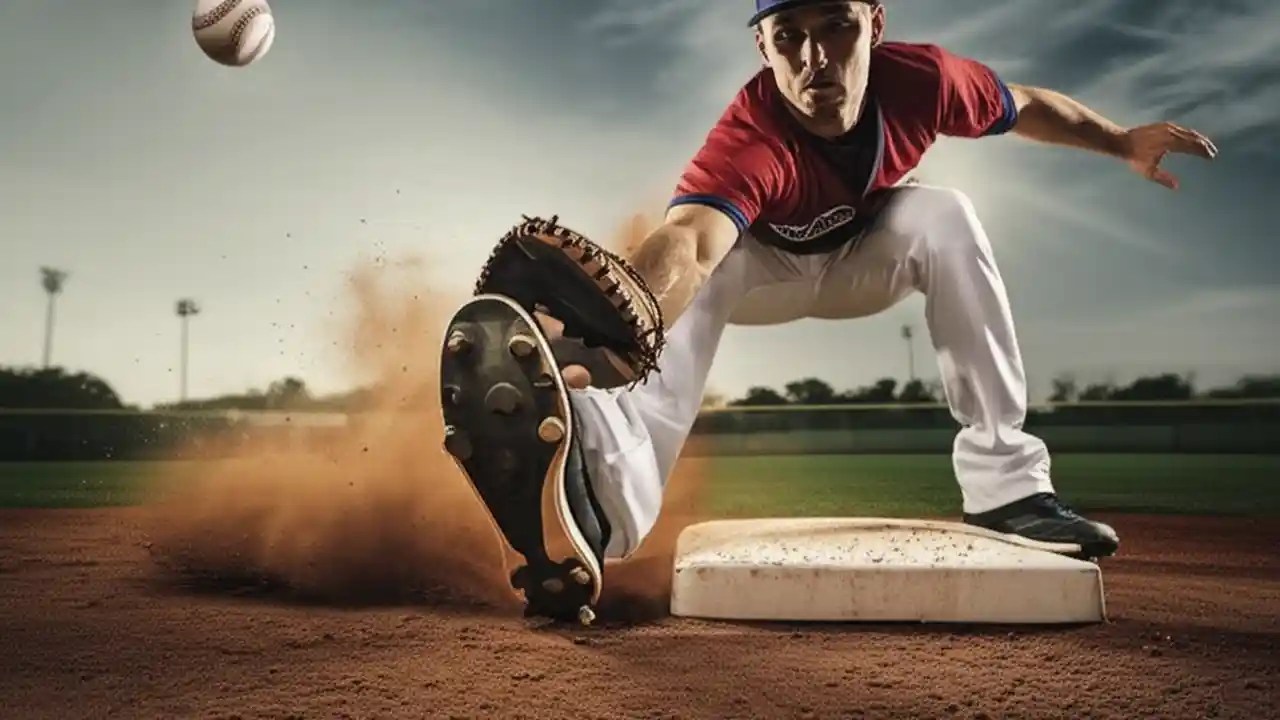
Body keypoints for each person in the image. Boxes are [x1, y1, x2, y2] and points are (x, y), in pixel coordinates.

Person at [440, 0, 1218, 620]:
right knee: (699, 285)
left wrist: (1120, 141)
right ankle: (598, 490)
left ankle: (1010, 488)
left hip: (868, 257)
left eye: (837, 25)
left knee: (945, 214)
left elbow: (1028, 105)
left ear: (875, 22)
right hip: (762, 270)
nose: (815, 56)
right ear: (763, 47)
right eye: (789, 35)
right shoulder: (748, 140)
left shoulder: (927, 82)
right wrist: (627, 317)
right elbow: (694, 242)